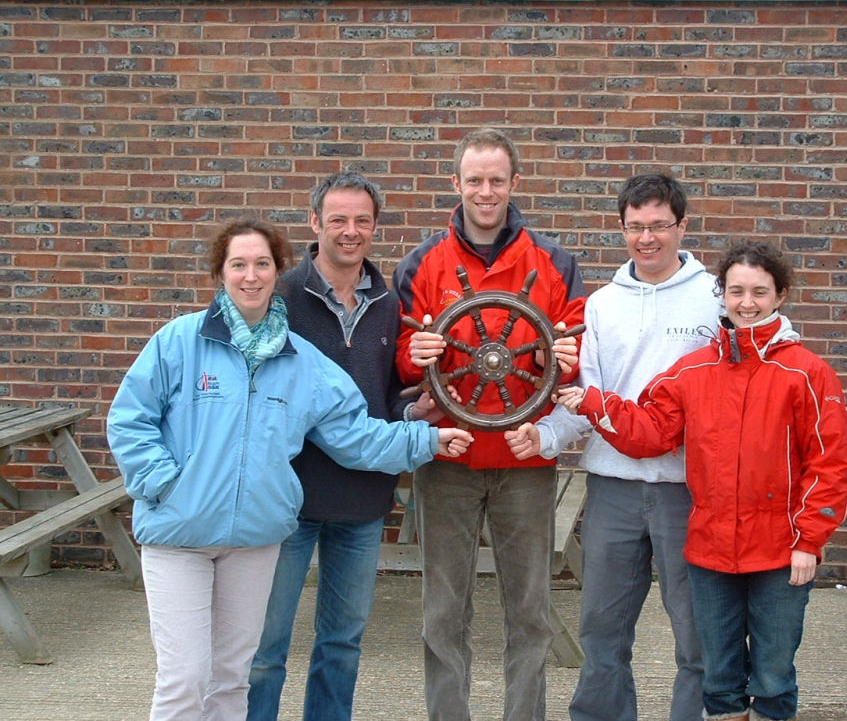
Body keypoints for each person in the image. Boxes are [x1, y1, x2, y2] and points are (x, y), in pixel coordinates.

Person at [106, 219, 472, 721]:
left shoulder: (304, 362)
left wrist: (426, 439)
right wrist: (166, 485)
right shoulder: (180, 342)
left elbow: (355, 435)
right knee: (185, 678)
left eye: (262, 264)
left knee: (233, 678)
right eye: (238, 264)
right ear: (220, 272)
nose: (250, 276)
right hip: (179, 537)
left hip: (254, 541)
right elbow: (130, 420)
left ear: (278, 272)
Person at [558, 240, 847, 721]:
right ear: (722, 295)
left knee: (774, 678)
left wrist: (810, 540)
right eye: (736, 291)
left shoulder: (807, 373)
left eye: (760, 291)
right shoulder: (695, 369)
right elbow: (652, 431)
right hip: (711, 550)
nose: (747, 303)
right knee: (719, 679)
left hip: (781, 550)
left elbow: (829, 462)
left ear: (780, 296)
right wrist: (593, 402)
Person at [504, 172, 720, 721]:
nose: (647, 238)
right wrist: (545, 435)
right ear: (622, 228)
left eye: (659, 227)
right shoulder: (602, 306)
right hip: (612, 489)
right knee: (601, 632)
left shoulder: (716, 299)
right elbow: (583, 402)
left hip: (688, 492)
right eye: (635, 227)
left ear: (682, 226)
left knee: (698, 636)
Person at [392, 127, 587, 721]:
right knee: (442, 612)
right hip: (447, 457)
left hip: (526, 459)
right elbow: (399, 356)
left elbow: (575, 348)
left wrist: (568, 361)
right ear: (456, 184)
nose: (485, 190)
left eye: (496, 180)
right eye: (474, 179)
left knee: (529, 611)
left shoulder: (553, 261)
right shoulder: (424, 262)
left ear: (514, 184)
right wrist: (414, 356)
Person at [247, 174, 440, 721]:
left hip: (362, 501)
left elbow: (381, 396)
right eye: (338, 220)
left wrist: (411, 412)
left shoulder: (389, 303)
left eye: (361, 221)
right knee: (264, 649)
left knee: (342, 644)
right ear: (315, 223)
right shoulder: (280, 295)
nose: (350, 231)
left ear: (375, 226)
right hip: (288, 501)